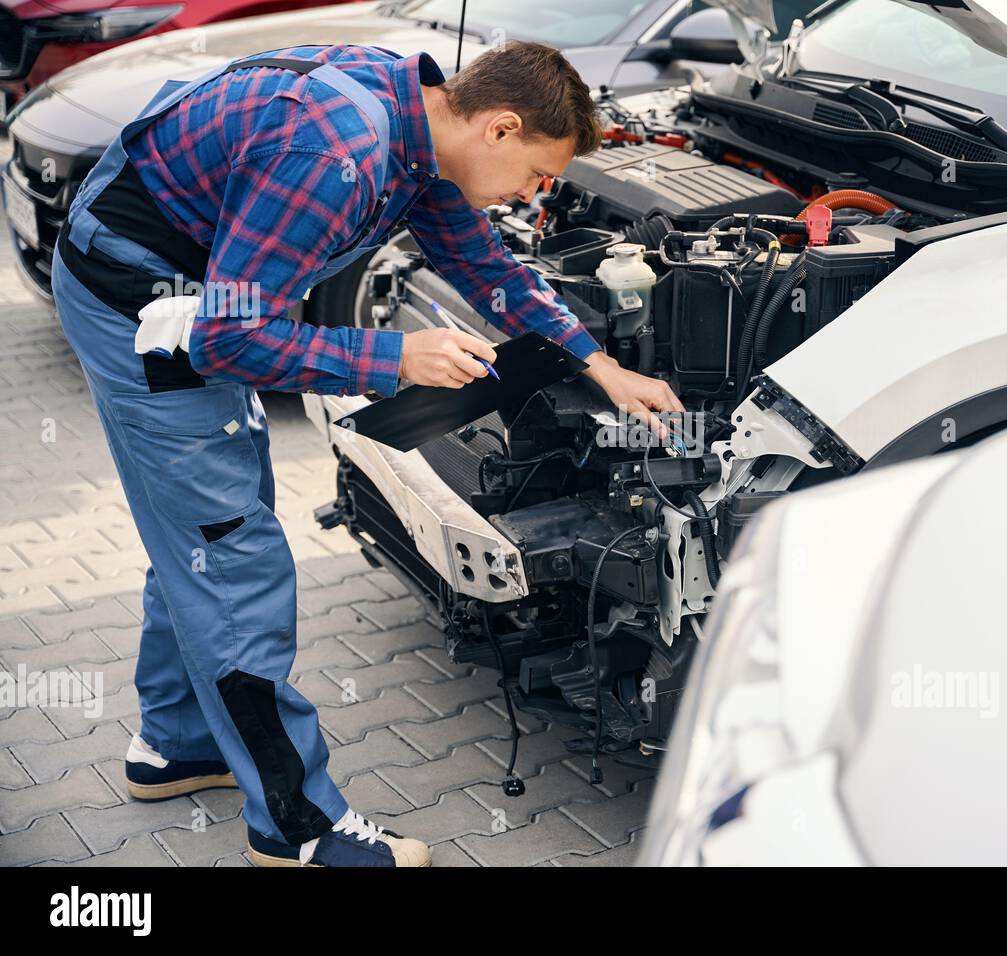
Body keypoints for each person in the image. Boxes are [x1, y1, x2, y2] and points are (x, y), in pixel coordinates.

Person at [51, 40, 683, 867]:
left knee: (199, 533)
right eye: (536, 173)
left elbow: (484, 265)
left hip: (193, 286)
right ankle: (296, 828)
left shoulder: (419, 122)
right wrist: (391, 359)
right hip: (141, 304)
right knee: (230, 553)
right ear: (499, 128)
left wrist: (599, 364)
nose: (537, 195)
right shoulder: (332, 153)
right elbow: (230, 339)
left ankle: (176, 745)